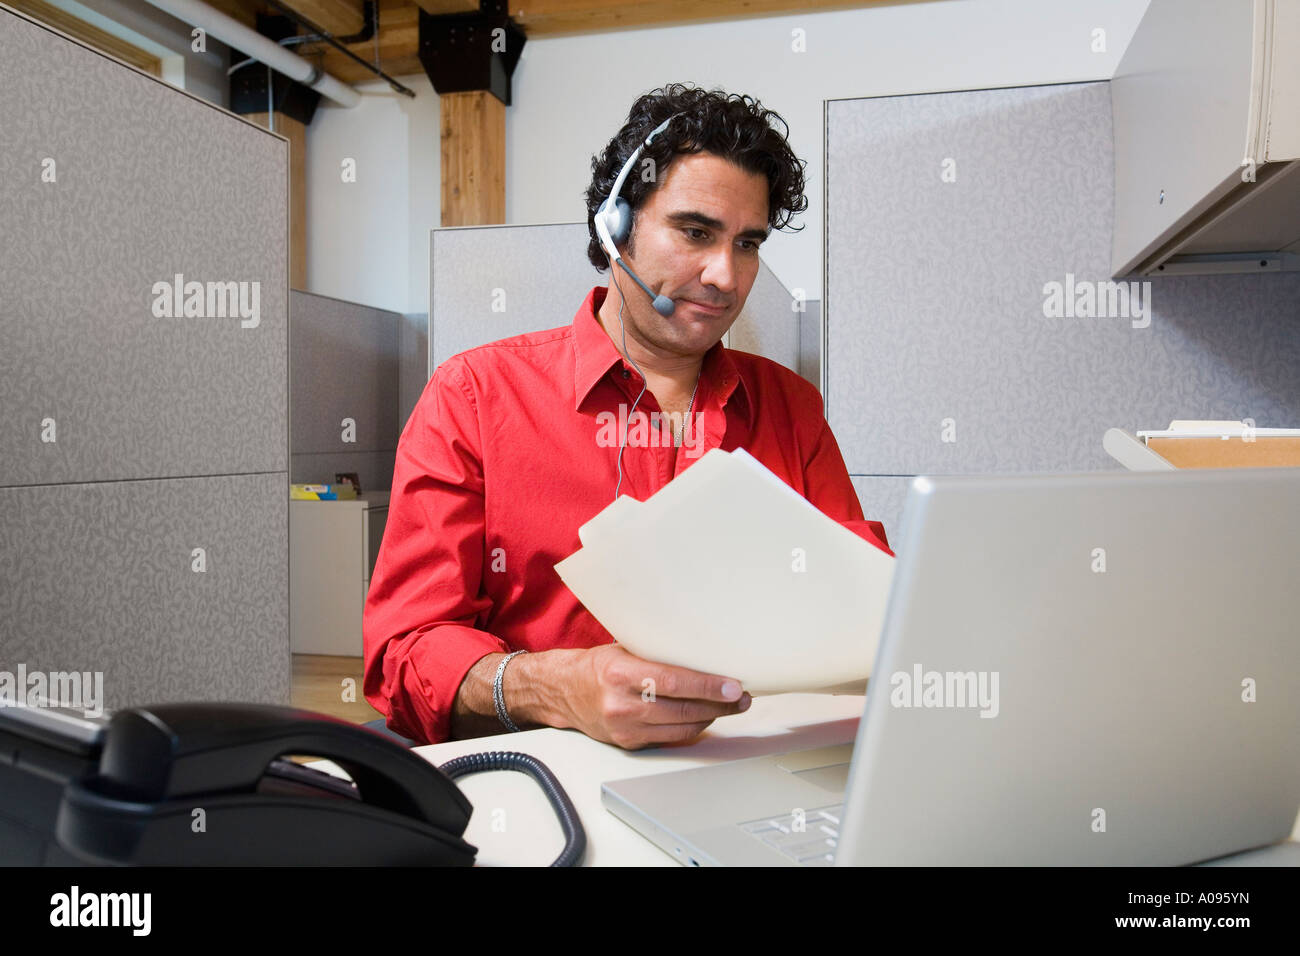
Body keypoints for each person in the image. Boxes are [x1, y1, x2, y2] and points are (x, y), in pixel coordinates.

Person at [362, 82, 892, 750]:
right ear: (614, 227)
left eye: (748, 243)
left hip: (754, 766)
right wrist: (555, 687)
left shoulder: (790, 407)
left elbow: (866, 601)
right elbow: (405, 654)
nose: (726, 276)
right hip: (549, 774)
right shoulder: (474, 396)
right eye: (695, 232)